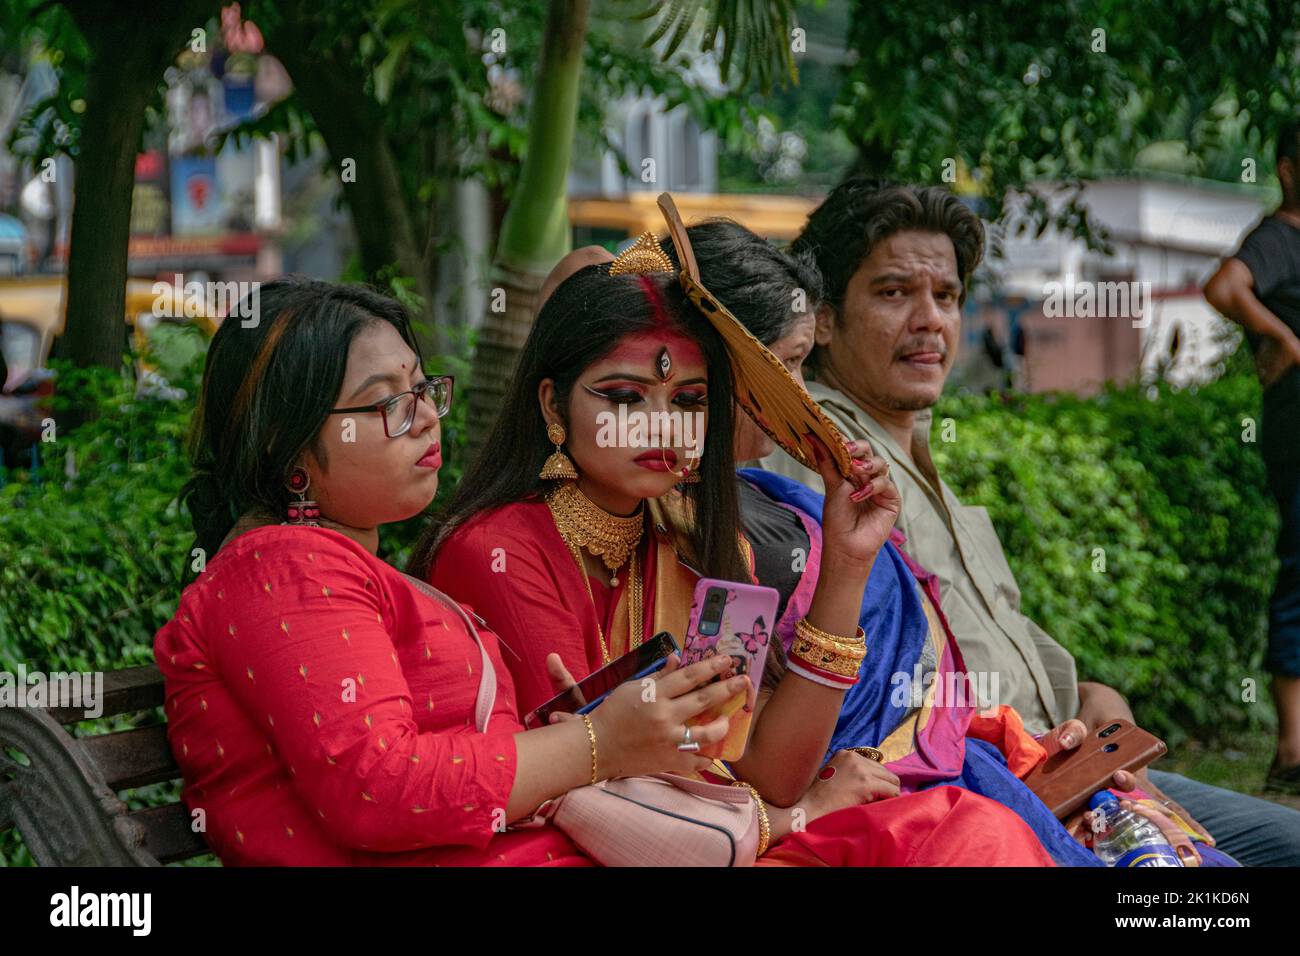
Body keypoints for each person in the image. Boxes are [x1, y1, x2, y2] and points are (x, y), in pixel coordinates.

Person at [413, 238, 1061, 866]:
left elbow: (766, 768)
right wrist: (799, 815)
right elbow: (593, 796)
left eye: (689, 400)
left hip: (721, 832)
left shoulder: (704, 539)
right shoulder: (498, 553)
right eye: (624, 396)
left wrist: (847, 564)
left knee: (969, 829)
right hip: (593, 850)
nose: (663, 425)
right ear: (554, 404)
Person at [154, 276, 787, 866]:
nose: (427, 417)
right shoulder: (283, 567)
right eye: (388, 404)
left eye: (421, 390)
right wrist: (595, 742)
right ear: (287, 450)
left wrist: (576, 735)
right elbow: (379, 790)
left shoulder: (336, 569)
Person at [762, 178, 1300, 866]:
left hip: (1071, 765)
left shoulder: (913, 450)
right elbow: (852, 672)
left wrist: (1091, 694)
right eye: (895, 293)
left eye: (947, 297)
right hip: (976, 790)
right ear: (825, 318)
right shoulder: (824, 456)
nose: (930, 320)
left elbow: (998, 631)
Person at [1204, 118, 1300, 796]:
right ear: (1288, 168)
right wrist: (1284, 340)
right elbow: (1223, 287)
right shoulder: (1279, 237)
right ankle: (1293, 747)